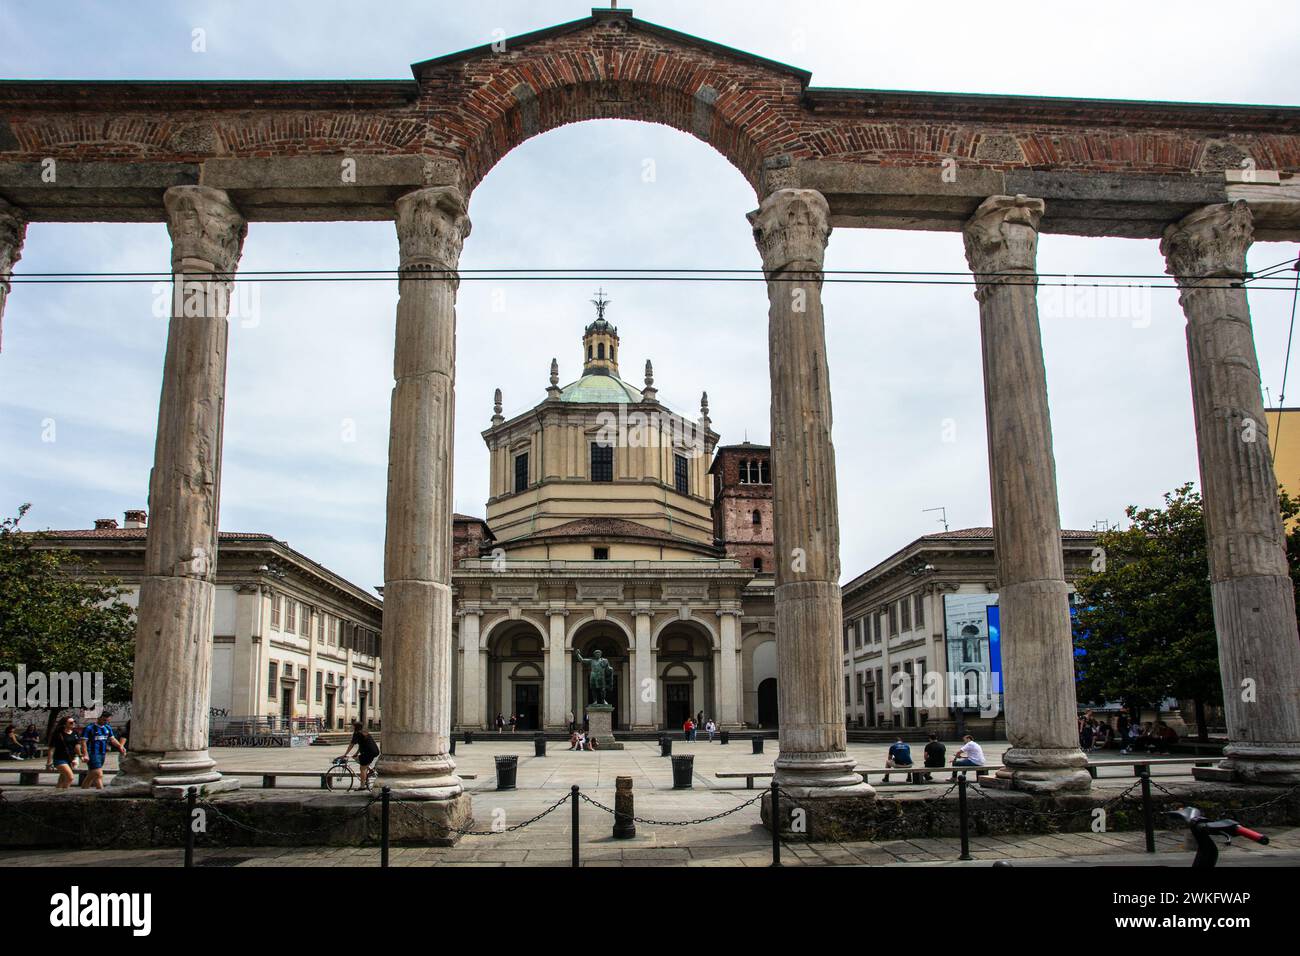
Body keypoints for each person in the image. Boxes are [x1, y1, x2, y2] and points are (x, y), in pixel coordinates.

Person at [79, 713, 126, 789]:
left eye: (108, 720)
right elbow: (83, 742)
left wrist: (120, 746)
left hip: (102, 753)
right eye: (104, 720)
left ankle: (83, 790)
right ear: (98, 718)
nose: (106, 722)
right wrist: (85, 754)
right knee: (99, 774)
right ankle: (101, 792)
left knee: (92, 774)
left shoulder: (107, 727)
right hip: (92, 753)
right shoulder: (89, 728)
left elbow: (112, 739)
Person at [342, 719, 380, 790]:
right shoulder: (364, 732)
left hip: (368, 752)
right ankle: (370, 769)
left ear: (355, 727)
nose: (351, 727)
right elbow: (362, 745)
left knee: (362, 768)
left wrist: (345, 754)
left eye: (352, 726)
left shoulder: (357, 733)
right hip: (374, 751)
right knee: (358, 759)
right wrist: (356, 754)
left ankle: (362, 786)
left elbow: (351, 745)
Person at [47, 715, 83, 790]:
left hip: (70, 758)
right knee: (70, 777)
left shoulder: (75, 733)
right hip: (59, 758)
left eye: (74, 722)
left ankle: (55, 795)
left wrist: (80, 756)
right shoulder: (58, 734)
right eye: (71, 722)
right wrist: (49, 762)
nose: (73, 723)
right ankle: (64, 794)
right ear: (64, 724)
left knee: (62, 779)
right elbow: (51, 749)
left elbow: (77, 746)